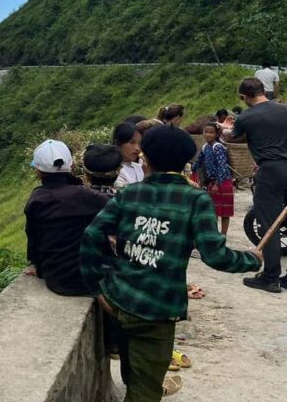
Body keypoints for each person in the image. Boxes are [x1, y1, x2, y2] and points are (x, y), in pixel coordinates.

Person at [81, 124, 263, 401]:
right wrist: (250, 260)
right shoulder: (196, 200)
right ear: (185, 164)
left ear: (147, 160)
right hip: (157, 308)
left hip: (120, 300)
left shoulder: (129, 194)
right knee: (146, 390)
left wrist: (97, 285)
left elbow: (93, 234)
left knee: (133, 371)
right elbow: (214, 255)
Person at [24, 140, 109, 296]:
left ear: (38, 171)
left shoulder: (36, 200)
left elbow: (34, 241)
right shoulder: (84, 195)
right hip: (90, 279)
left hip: (55, 279)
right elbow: (115, 209)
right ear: (72, 167)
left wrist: (39, 268)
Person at [228, 77, 287, 292]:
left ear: (244, 97)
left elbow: (233, 137)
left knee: (269, 224)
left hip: (270, 171)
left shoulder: (246, 117)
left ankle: (271, 277)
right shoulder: (285, 109)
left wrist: (223, 129)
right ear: (263, 90)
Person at [193, 122, 234, 235]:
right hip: (212, 182)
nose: (208, 135)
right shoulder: (205, 147)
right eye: (206, 132)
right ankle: (215, 233)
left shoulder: (218, 147)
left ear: (216, 135)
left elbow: (222, 167)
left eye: (211, 132)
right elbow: (198, 161)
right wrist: (191, 170)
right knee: (214, 210)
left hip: (223, 182)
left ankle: (223, 235)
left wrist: (217, 183)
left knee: (225, 212)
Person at [113, 123, 144, 189]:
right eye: (132, 142)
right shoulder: (114, 172)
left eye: (140, 143)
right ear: (118, 144)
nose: (137, 148)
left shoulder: (139, 166)